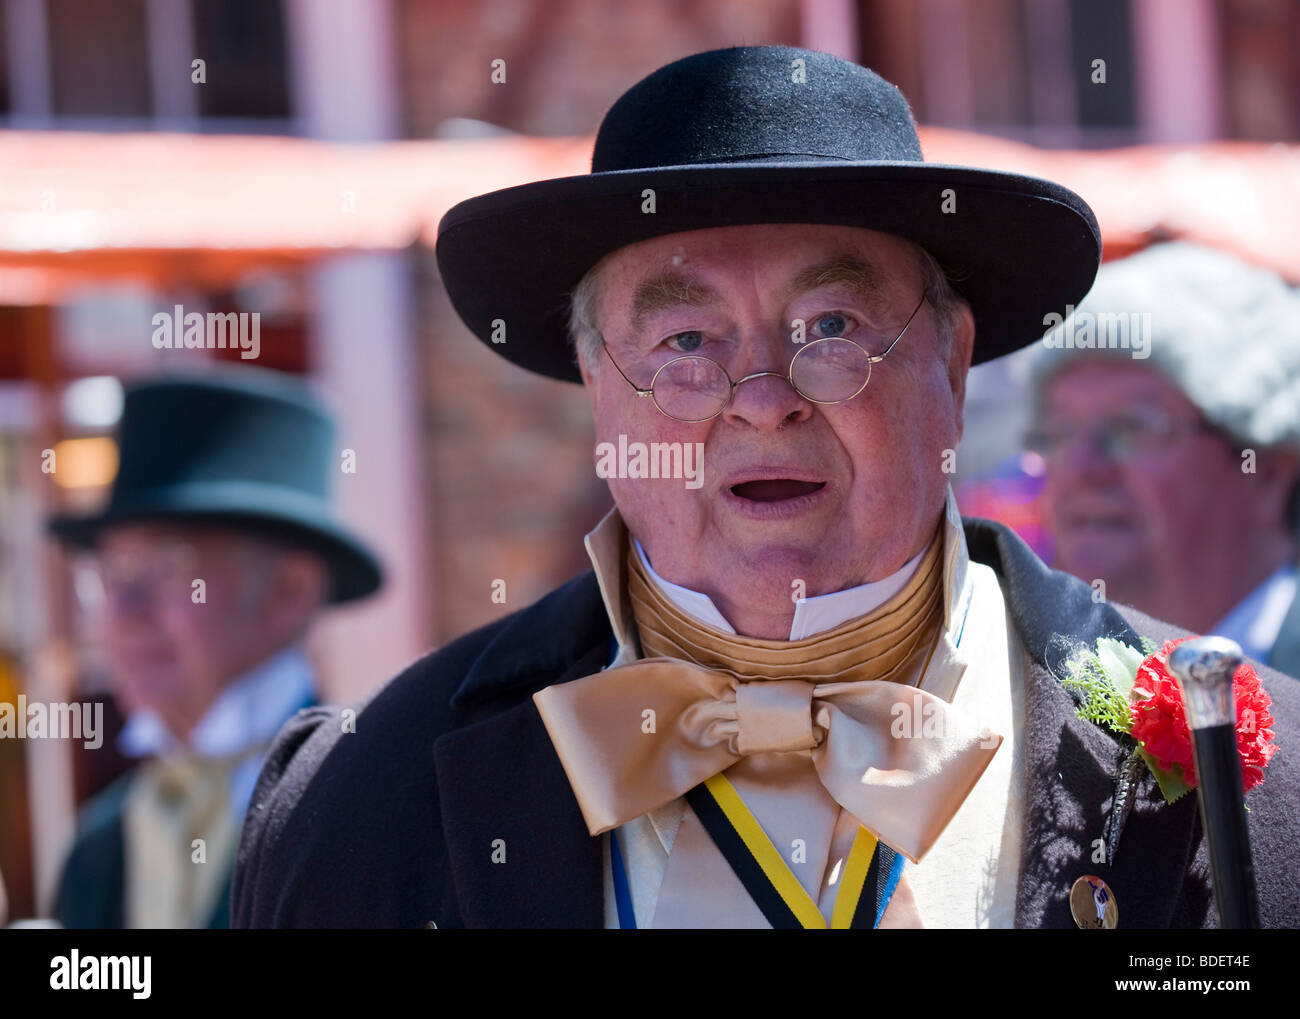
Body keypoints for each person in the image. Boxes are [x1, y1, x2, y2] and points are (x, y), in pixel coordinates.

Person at [234, 46, 1299, 929]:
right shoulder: (360, 798)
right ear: (599, 388)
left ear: (953, 363)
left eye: (830, 328)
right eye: (684, 340)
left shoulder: (1259, 778)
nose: (762, 398)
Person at [48, 368, 382, 928]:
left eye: (166, 564)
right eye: (110, 572)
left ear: (289, 591)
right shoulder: (96, 849)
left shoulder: (375, 814)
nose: (124, 610)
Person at [1025, 243, 1300, 677]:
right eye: (1059, 432)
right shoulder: (1038, 682)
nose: (1081, 469)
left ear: (1267, 474)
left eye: (1134, 428)